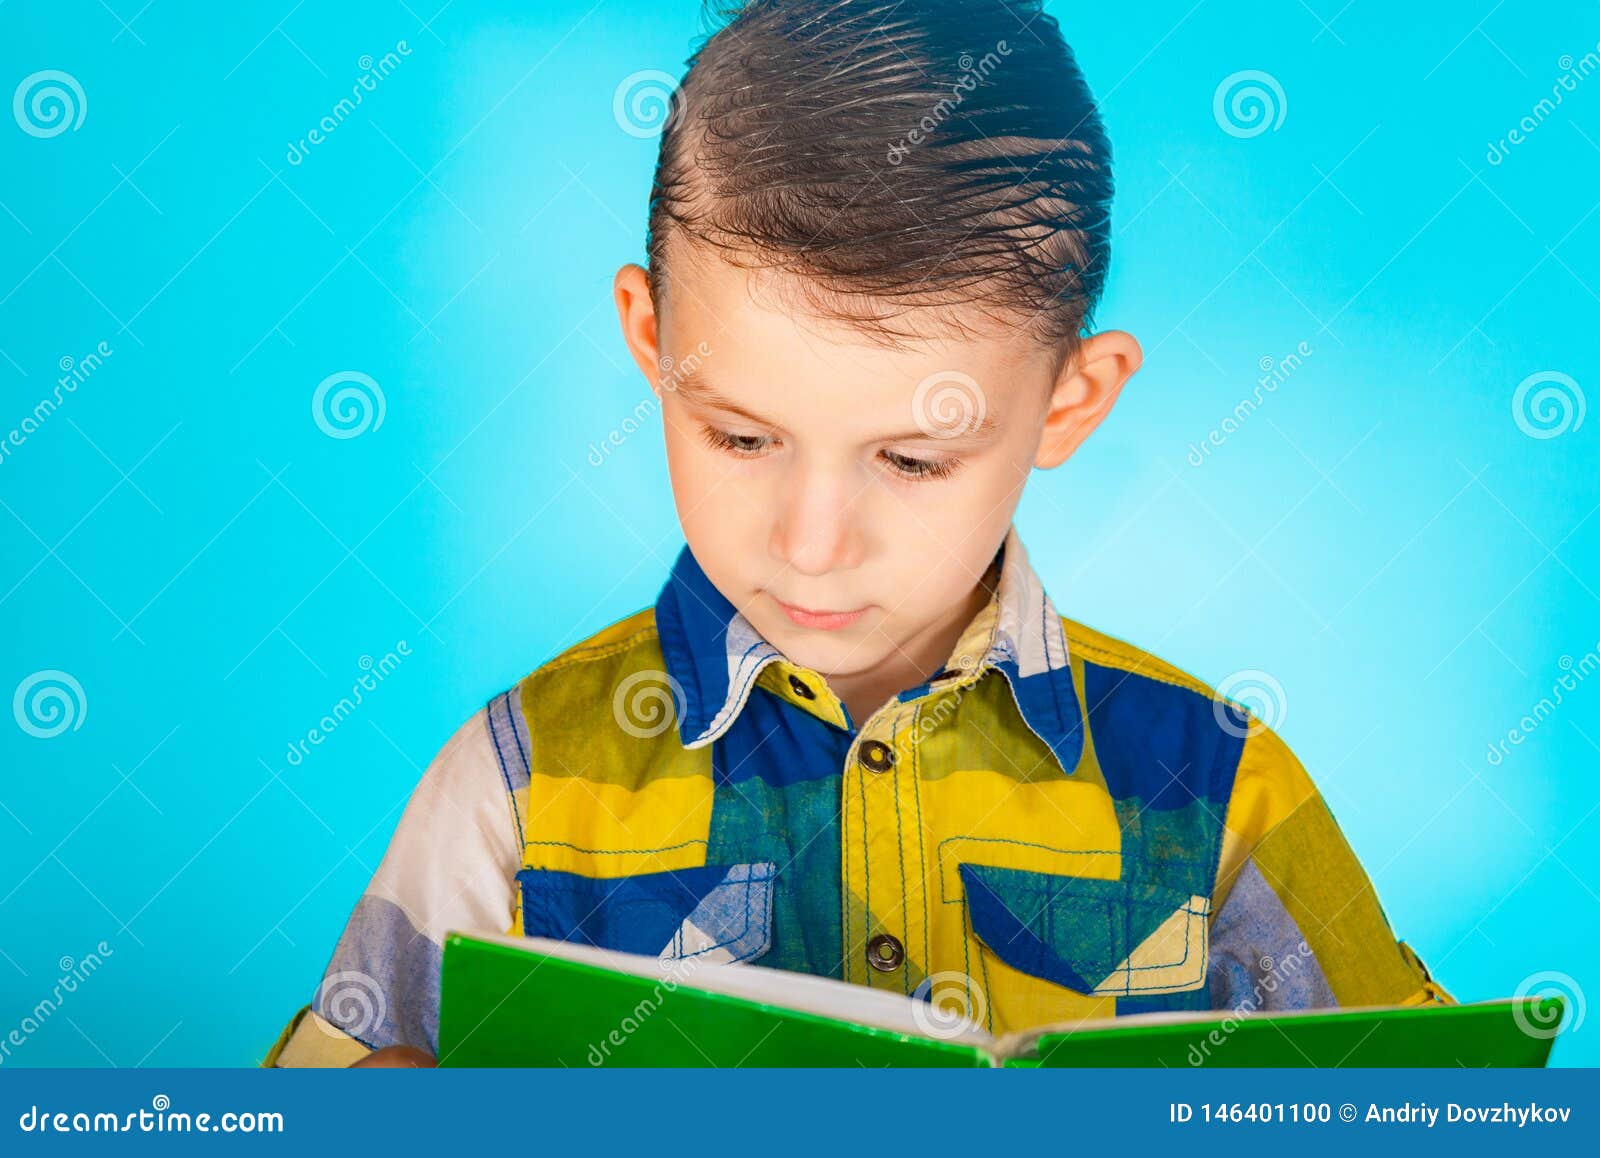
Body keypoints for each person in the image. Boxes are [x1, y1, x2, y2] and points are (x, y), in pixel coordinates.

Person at [263, 0, 1451, 1068]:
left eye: (912, 459)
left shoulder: (1216, 783)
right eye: (740, 438)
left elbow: (1432, 1112)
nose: (812, 544)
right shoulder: (518, 784)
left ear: (1070, 403)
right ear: (648, 336)